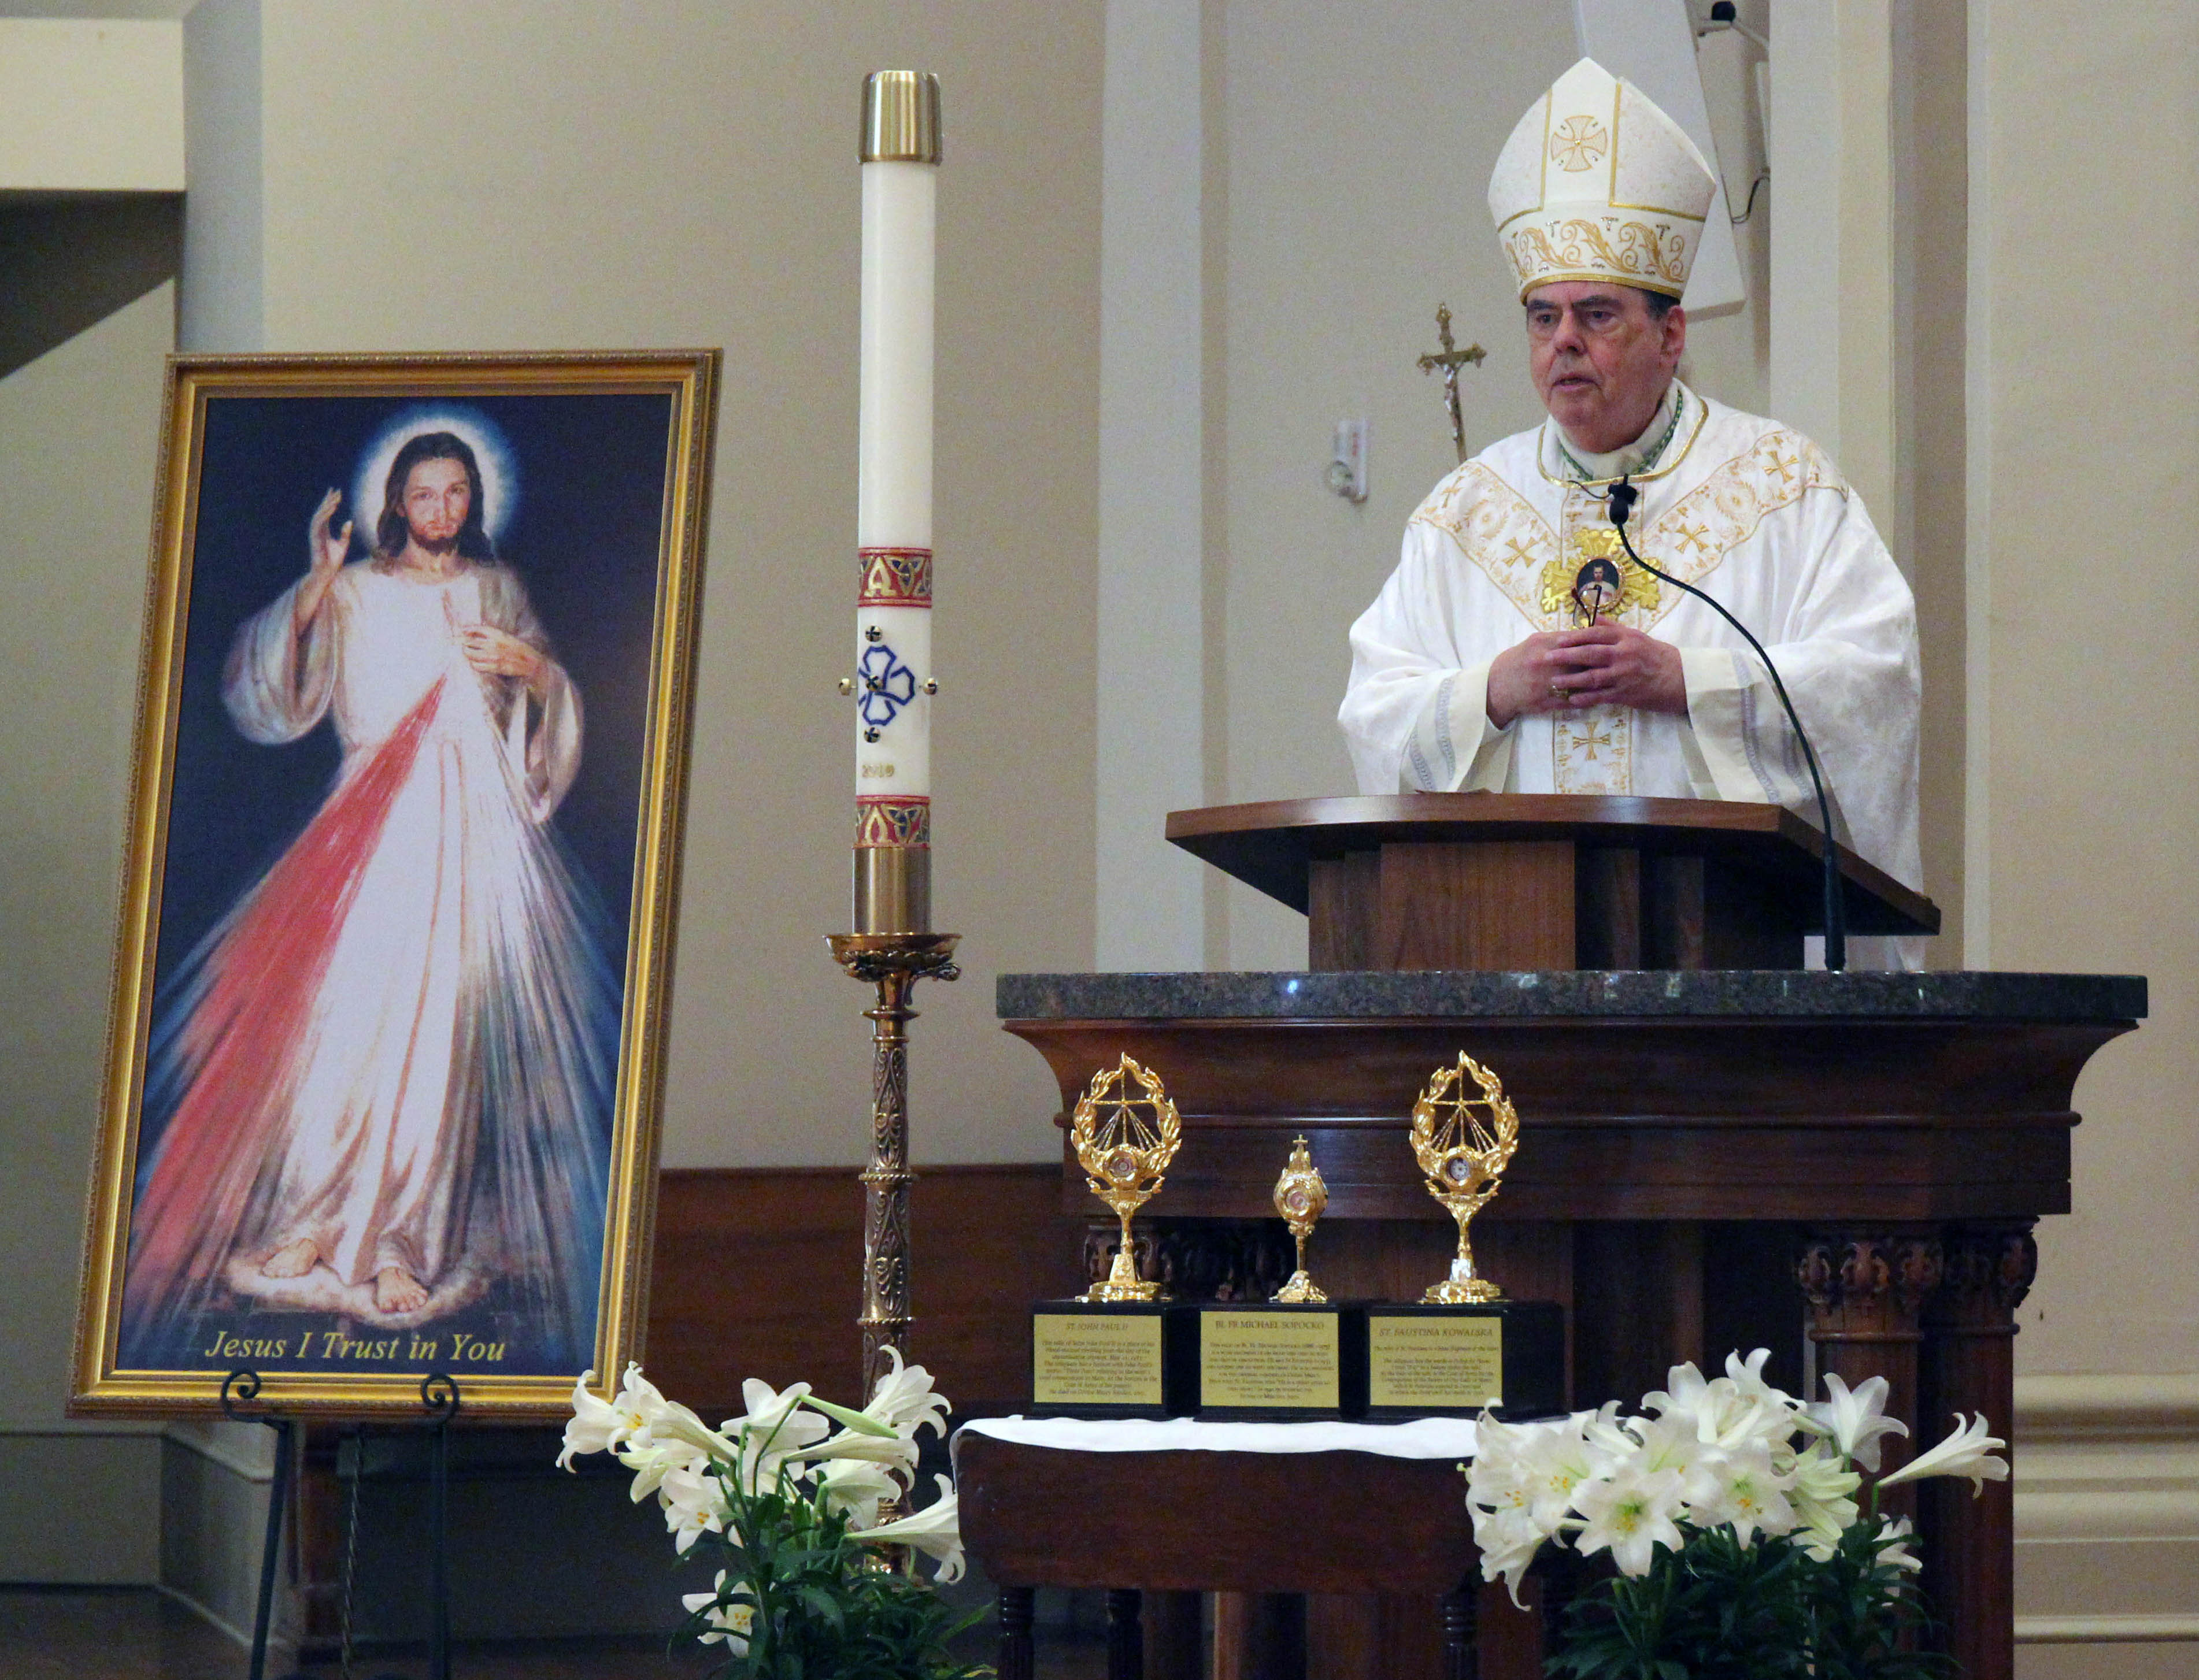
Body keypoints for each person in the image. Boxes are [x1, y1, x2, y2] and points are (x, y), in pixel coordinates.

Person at [1339, 58, 1921, 965]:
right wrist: (1493, 694)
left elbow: (1873, 682)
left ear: (1672, 333)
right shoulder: (1463, 516)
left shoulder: (1785, 489)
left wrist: (1686, 682)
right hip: (1508, 954)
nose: (1563, 341)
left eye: (1596, 314)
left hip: (1729, 958)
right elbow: (1374, 711)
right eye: (1543, 317)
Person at [121, 429, 617, 1365]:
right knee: (339, 1032)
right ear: (397, 501)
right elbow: (268, 689)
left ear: (474, 500)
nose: (443, 512)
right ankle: (314, 1217)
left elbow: (551, 696)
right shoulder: (355, 590)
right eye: (426, 495)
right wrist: (315, 579)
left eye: (458, 493)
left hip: (468, 838)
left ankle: (403, 1243)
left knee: (436, 1042)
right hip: (366, 838)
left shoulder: (498, 591)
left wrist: (528, 668)